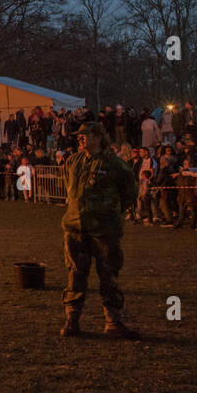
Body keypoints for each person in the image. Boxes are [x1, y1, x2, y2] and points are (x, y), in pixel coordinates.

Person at [60, 122, 140, 339]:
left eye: (85, 135)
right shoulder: (73, 162)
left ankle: (113, 322)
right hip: (76, 227)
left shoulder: (116, 165)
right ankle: (72, 321)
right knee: (75, 275)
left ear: (98, 138)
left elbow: (130, 193)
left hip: (104, 230)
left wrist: (109, 211)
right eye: (80, 136)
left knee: (108, 277)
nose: (81, 139)